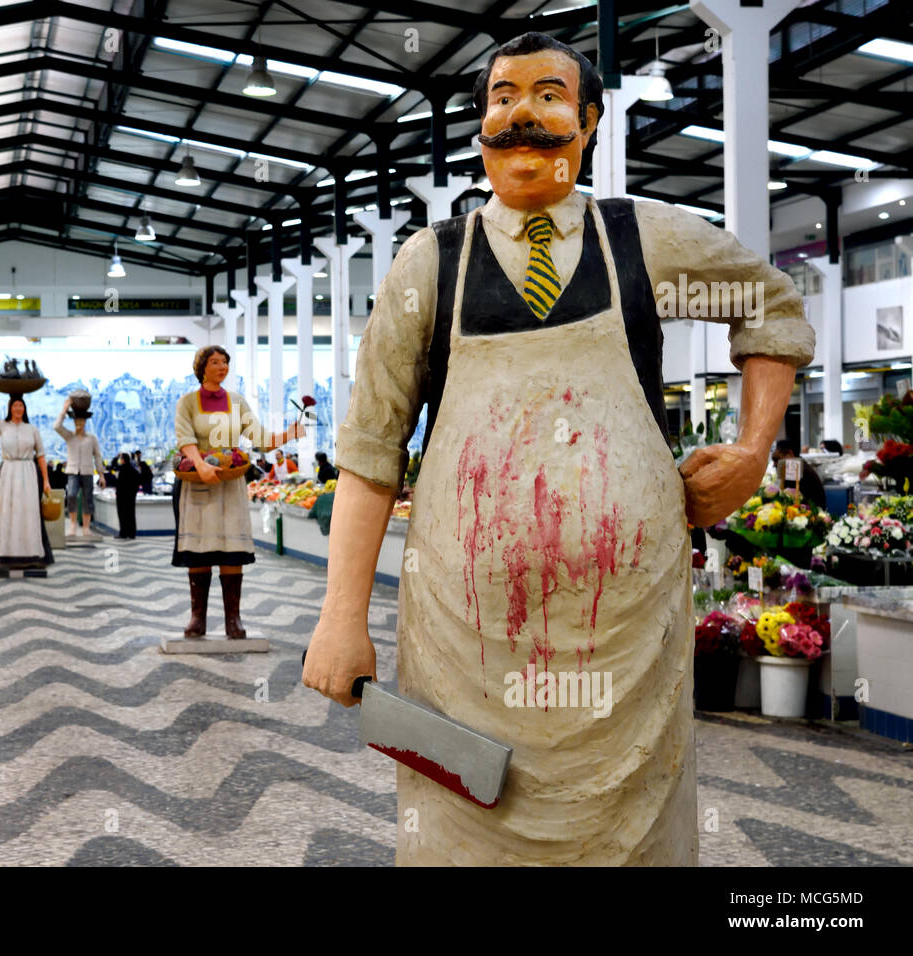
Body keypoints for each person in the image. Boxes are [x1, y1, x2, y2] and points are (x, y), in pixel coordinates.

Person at [302, 31, 814, 866]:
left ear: (589, 121)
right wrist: (339, 617)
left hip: (628, 653)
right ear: (480, 127)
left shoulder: (641, 241)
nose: (522, 116)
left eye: (548, 96)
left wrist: (755, 448)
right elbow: (370, 452)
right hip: (463, 652)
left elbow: (772, 307)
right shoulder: (430, 266)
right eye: (503, 98)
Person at [174, 346, 304, 638]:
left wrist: (289, 434)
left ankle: (233, 619)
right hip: (198, 482)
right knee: (199, 550)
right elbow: (185, 438)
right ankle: (197, 618)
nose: (222, 367)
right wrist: (200, 464)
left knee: (232, 550)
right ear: (202, 367)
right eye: (215, 362)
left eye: (225, 362)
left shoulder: (237, 402)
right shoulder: (187, 403)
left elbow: (260, 439)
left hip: (231, 484)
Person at [0, 382, 54, 570]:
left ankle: (30, 553)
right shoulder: (2, 426)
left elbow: (41, 455)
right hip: (8, 472)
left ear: (24, 409)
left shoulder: (32, 429)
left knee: (29, 512)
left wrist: (46, 481)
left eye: (21, 406)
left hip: (28, 472)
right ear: (10, 408)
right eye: (15, 405)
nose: (18, 408)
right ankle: (4, 552)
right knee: (5, 512)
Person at [54, 394, 107, 537]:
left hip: (87, 471)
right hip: (72, 471)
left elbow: (97, 456)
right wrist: (64, 410)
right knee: (71, 495)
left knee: (87, 498)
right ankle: (72, 525)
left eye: (81, 421)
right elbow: (57, 426)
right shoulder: (69, 436)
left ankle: (86, 527)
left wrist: (101, 474)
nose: (79, 424)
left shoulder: (91, 438)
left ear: (85, 422)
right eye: (77, 421)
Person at [114, 452, 141, 539]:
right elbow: (138, 481)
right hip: (131, 497)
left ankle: (123, 533)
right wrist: (134, 492)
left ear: (123, 460)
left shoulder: (122, 469)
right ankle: (132, 533)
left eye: (121, 459)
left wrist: (115, 457)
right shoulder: (133, 469)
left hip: (122, 497)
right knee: (131, 515)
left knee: (122, 515)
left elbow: (113, 466)